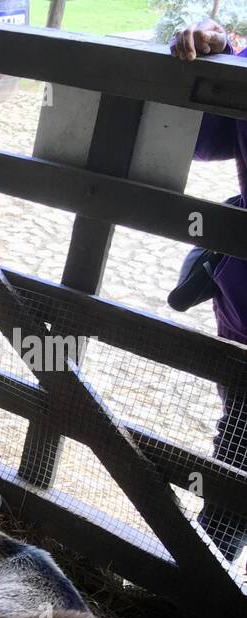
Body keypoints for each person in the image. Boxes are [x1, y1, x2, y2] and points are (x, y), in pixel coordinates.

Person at [171, 18, 247, 566]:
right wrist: (210, 60)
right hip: (242, 310)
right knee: (237, 445)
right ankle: (204, 589)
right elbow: (196, 137)